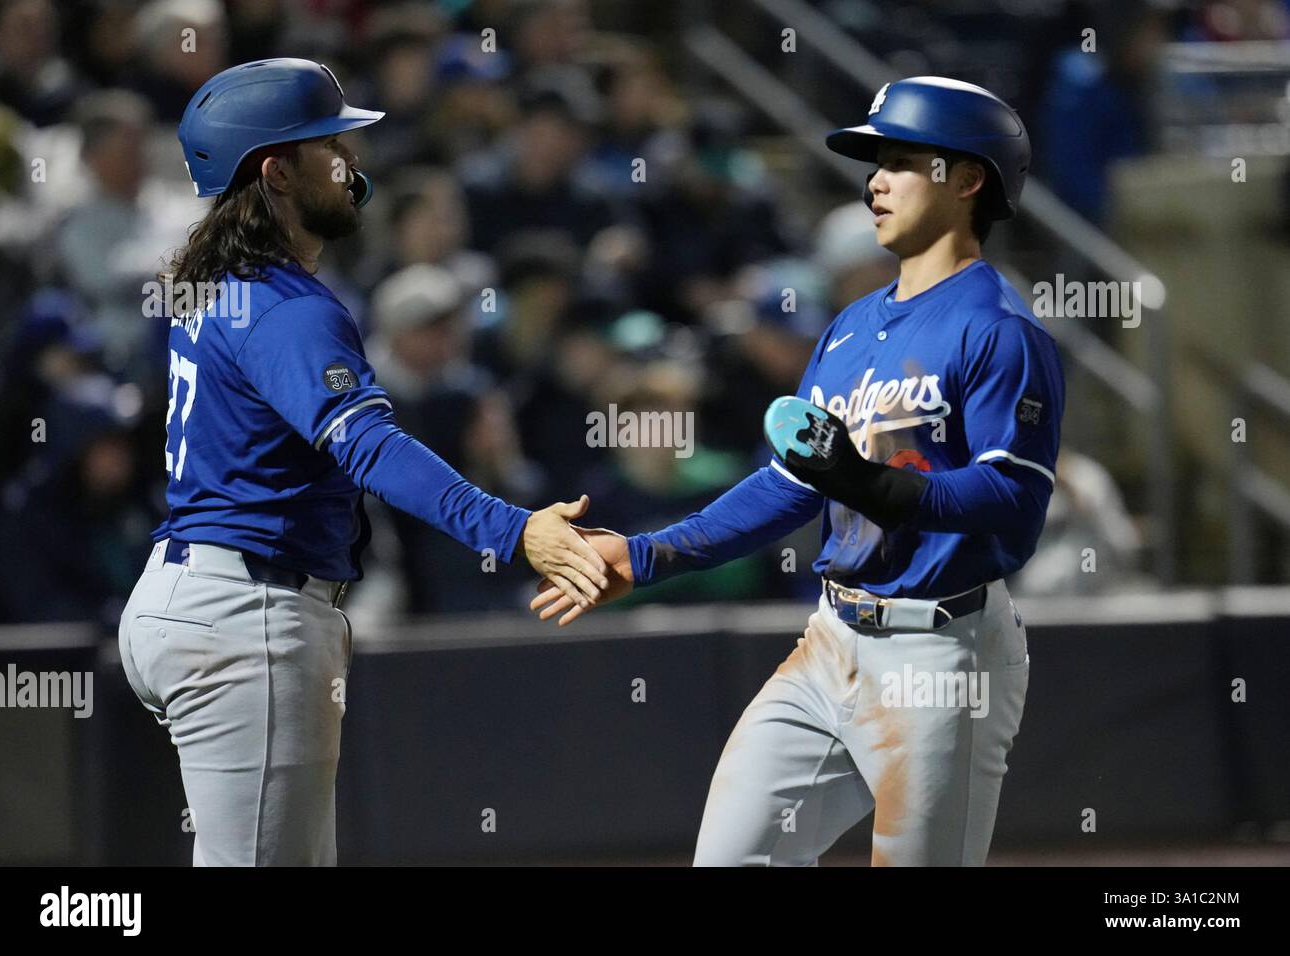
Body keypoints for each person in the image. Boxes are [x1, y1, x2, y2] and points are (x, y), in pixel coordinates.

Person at [532, 77, 1066, 866]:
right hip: (831, 638)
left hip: (941, 653)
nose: (874, 181)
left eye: (900, 161)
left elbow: (1011, 501)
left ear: (968, 178)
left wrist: (864, 481)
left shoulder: (1001, 329)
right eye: (873, 161)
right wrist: (645, 556)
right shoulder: (851, 328)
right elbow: (793, 481)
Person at [116, 58, 609, 867]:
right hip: (248, 613)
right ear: (277, 171)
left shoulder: (213, 288)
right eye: (331, 146)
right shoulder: (286, 306)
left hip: (193, 596)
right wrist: (515, 531)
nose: (352, 164)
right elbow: (374, 449)